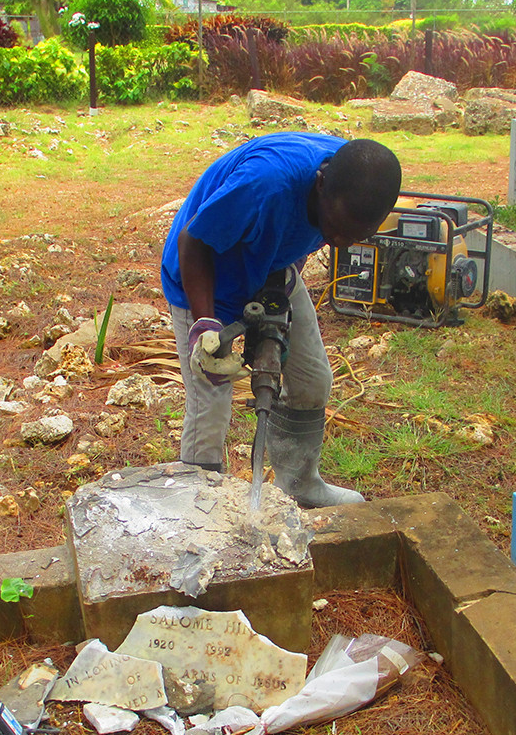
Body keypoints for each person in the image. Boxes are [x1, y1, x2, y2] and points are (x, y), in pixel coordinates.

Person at [161, 133, 402, 507]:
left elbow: (302, 233)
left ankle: (301, 486)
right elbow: (193, 242)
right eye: (334, 228)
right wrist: (205, 326)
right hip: (202, 275)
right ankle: (200, 509)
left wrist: (280, 281)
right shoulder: (265, 184)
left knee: (312, 380)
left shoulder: (354, 186)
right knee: (211, 401)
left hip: (271, 267)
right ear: (320, 183)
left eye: (353, 236)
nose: (338, 241)